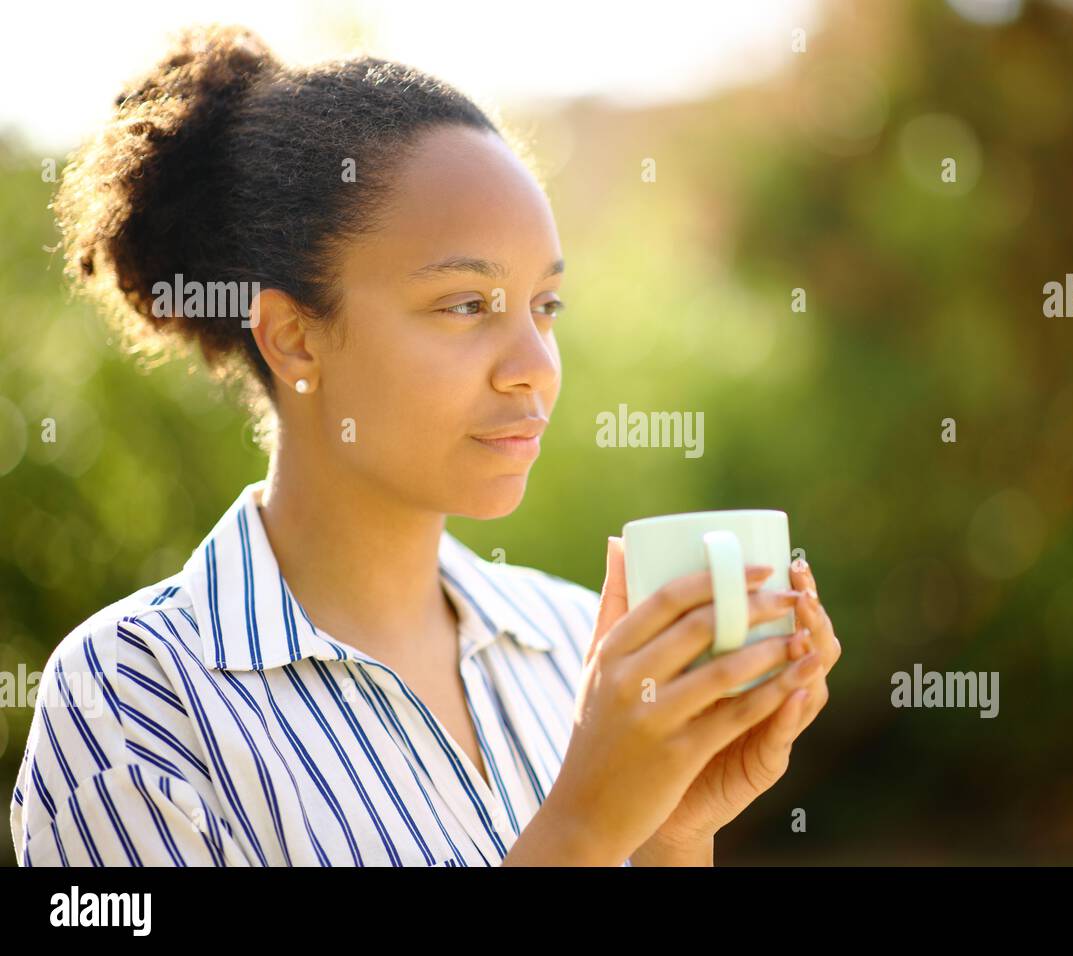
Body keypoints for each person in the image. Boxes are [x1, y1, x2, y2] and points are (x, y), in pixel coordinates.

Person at [8, 24, 839, 867]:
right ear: (294, 338)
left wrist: (671, 833)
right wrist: (585, 827)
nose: (535, 371)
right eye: (466, 305)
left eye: (543, 307)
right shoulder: (135, 696)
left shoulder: (574, 640)